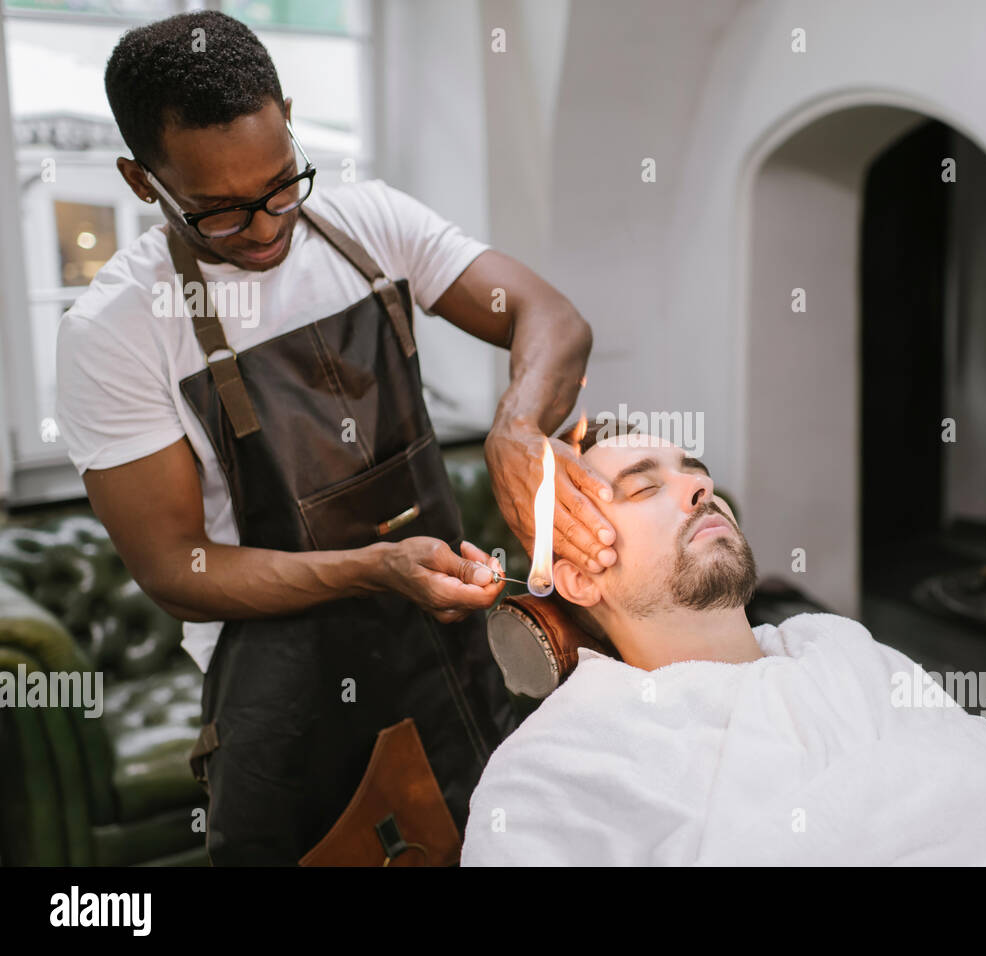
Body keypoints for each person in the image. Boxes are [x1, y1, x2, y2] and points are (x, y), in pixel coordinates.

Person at [54, 11, 617, 865]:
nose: (269, 225)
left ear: (287, 113)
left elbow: (552, 319)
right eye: (222, 213)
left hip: (452, 651)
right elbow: (177, 569)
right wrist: (373, 569)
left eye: (284, 184)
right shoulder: (116, 330)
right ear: (143, 182)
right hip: (283, 699)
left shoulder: (370, 227)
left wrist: (516, 425)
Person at [460, 426, 986, 866]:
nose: (701, 487)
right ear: (578, 577)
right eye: (643, 486)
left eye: (695, 471)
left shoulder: (838, 647)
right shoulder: (559, 767)